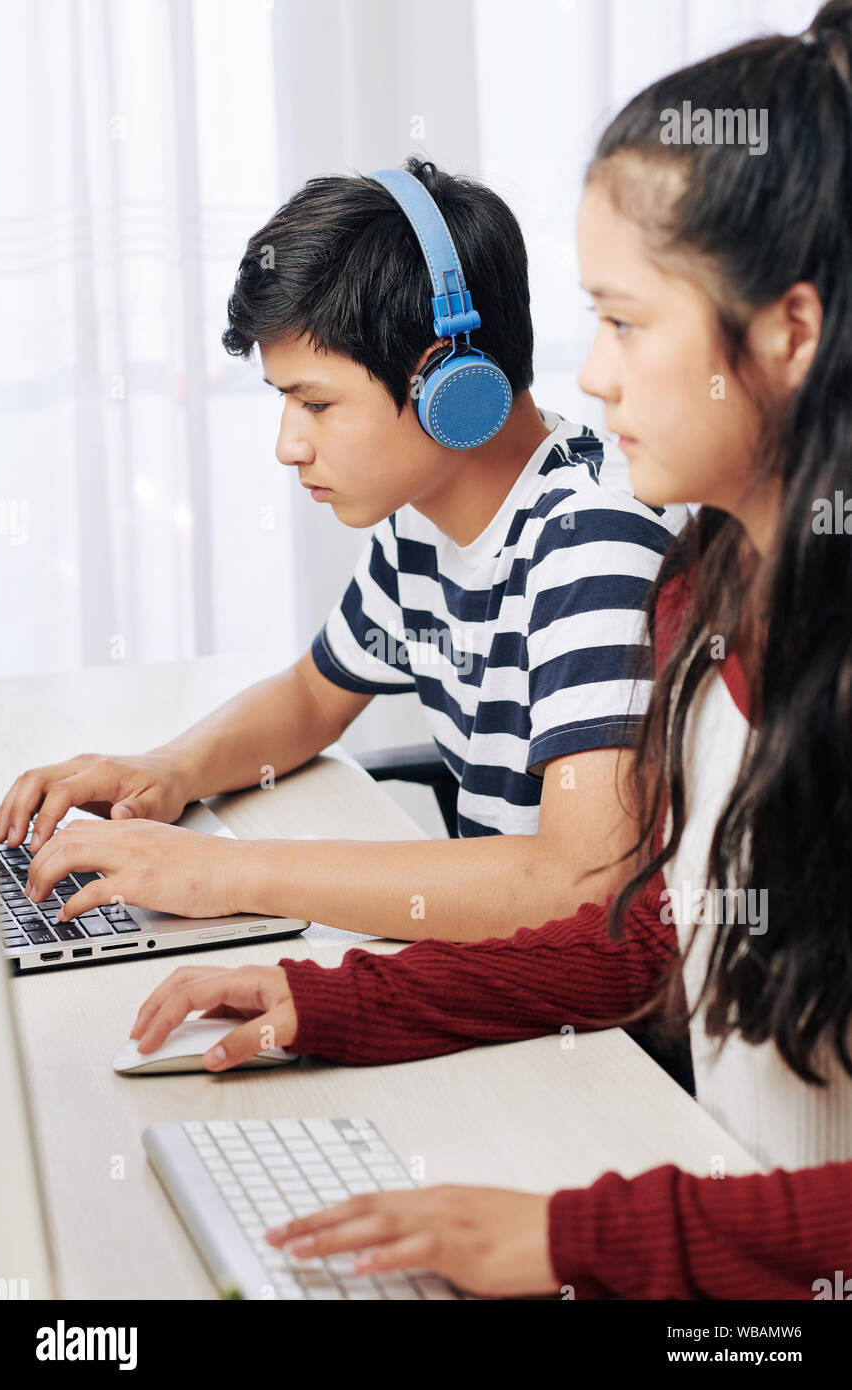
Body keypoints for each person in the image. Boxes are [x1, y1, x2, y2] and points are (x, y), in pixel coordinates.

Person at [129, 1, 852, 1299]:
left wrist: (574, 1239)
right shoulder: (718, 609)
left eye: (627, 325)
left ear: (788, 331)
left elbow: (597, 897)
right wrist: (332, 1001)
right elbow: (650, 936)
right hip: (705, 1187)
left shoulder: (620, 552)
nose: (595, 378)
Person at [0, 158, 683, 943]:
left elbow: (580, 885)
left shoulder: (591, 542)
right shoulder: (421, 520)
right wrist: (167, 771)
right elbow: (311, 697)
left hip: (621, 1033)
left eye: (316, 404)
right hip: (509, 967)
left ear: (450, 385)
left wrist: (226, 873)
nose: (289, 446)